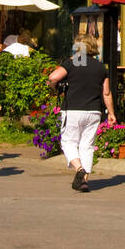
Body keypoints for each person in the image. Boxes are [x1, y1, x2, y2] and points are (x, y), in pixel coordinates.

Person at [46, 34, 117, 192]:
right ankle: (83, 181)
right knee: (87, 145)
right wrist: (111, 112)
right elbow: (106, 93)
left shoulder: (72, 63)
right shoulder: (100, 67)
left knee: (68, 142)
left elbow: (53, 77)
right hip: (94, 111)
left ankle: (79, 169)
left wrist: (54, 88)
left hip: (73, 109)